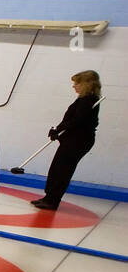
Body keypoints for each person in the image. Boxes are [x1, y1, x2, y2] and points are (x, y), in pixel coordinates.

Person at [33, 70, 101, 210]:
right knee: (56, 168)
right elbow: (71, 120)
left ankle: (53, 200)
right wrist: (58, 130)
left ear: (86, 84)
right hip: (72, 139)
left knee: (62, 170)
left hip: (78, 141)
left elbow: (77, 121)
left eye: (77, 83)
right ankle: (49, 196)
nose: (74, 86)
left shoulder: (89, 100)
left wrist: (58, 130)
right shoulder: (83, 99)